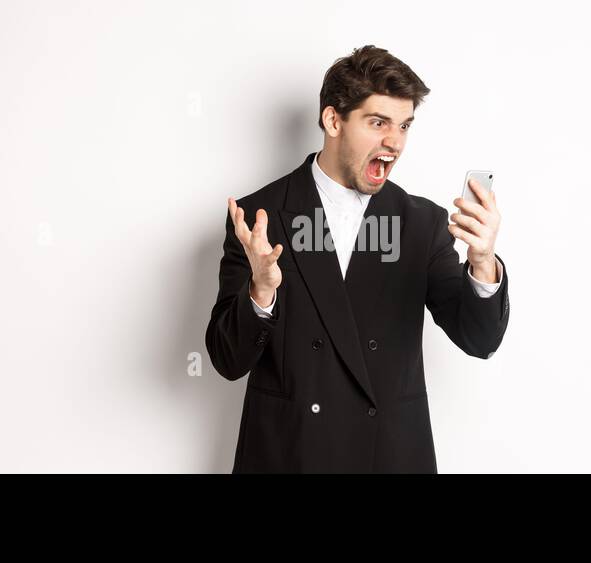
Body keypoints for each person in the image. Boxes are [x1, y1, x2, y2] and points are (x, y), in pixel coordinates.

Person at [205, 45, 510, 473]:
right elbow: (226, 361)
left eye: (404, 125)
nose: (395, 142)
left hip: (386, 457)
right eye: (378, 122)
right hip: (289, 455)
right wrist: (261, 293)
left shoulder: (421, 224)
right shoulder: (260, 217)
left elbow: (479, 341)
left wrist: (482, 262)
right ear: (333, 121)